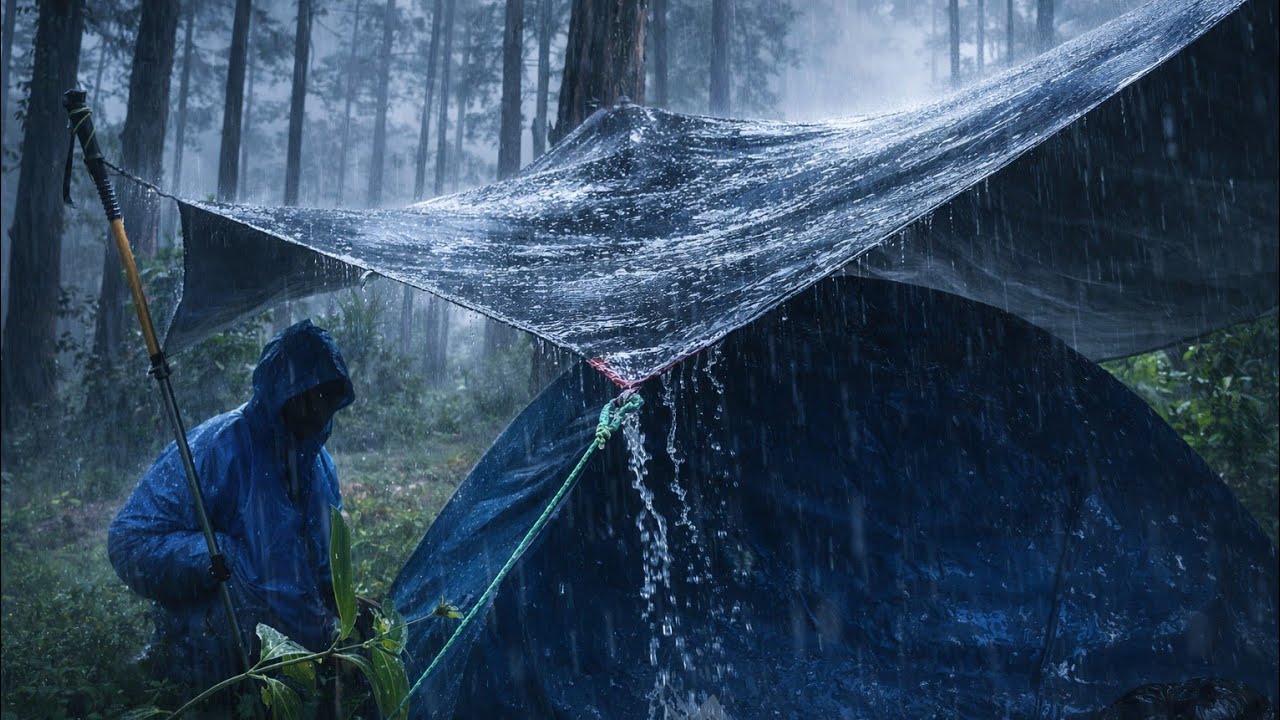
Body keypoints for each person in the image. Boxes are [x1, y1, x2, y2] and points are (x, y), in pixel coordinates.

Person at [108, 320, 355, 689]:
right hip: (213, 654)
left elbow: (321, 567)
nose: (318, 410)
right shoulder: (217, 449)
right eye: (307, 395)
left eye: (326, 396)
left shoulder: (318, 465)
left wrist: (342, 612)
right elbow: (129, 540)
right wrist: (211, 557)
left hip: (287, 665)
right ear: (281, 392)